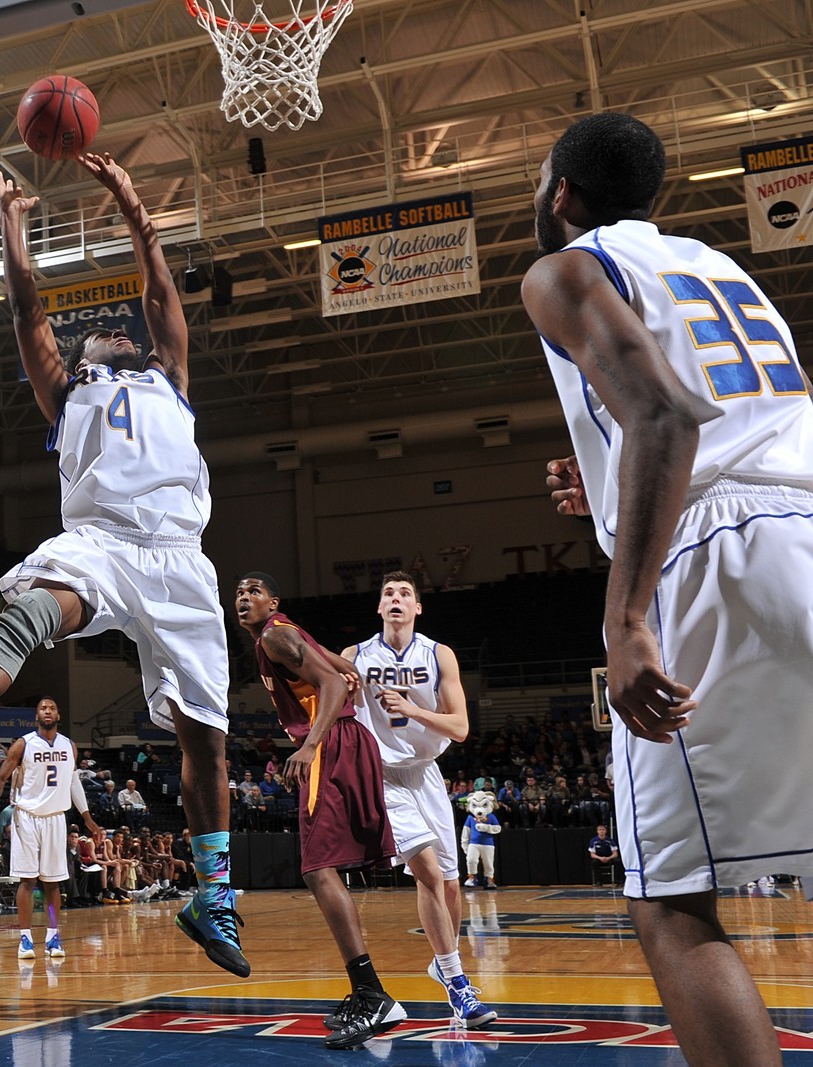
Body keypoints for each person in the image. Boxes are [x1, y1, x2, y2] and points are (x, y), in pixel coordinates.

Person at [0, 156, 245, 981]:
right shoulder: (66, 392)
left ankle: (214, 894)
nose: (115, 326)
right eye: (97, 329)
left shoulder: (170, 375)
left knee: (206, 743)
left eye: (123, 327)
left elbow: (161, 291)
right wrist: (12, 226)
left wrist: (135, 204)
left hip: (180, 560)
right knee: (34, 607)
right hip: (99, 542)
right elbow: (27, 307)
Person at [525, 112, 813, 1067]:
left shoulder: (562, 270)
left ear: (560, 193)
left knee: (671, 901)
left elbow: (665, 413)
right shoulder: (723, 268)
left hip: (715, 564)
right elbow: (737, 420)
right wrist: (604, 491)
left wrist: (626, 617)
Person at [234, 573, 403, 1049]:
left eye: (253, 592)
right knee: (322, 868)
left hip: (331, 743)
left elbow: (331, 682)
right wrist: (343, 673)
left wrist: (309, 745)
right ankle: (366, 992)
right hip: (344, 741)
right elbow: (343, 671)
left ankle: (373, 996)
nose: (244, 599)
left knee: (317, 869)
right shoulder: (285, 633)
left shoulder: (275, 634)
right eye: (238, 594)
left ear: (274, 601)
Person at [342, 571, 495, 1030]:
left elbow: (461, 727)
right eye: (388, 593)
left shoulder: (437, 653)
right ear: (379, 607)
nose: (396, 599)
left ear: (417, 608)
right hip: (382, 776)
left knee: (449, 883)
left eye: (405, 594)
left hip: (426, 774)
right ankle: (459, 984)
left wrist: (412, 710)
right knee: (428, 873)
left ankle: (442, 963)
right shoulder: (355, 656)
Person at [0, 697, 101, 960]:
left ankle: (52, 937)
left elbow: (73, 783)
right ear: (36, 716)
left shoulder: (69, 746)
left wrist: (87, 817)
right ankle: (25, 938)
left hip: (55, 818)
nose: (47, 711)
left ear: (58, 715)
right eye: (42, 708)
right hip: (26, 816)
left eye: (52, 708)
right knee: (27, 880)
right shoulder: (23, 744)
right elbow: (1, 777)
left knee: (53, 882)